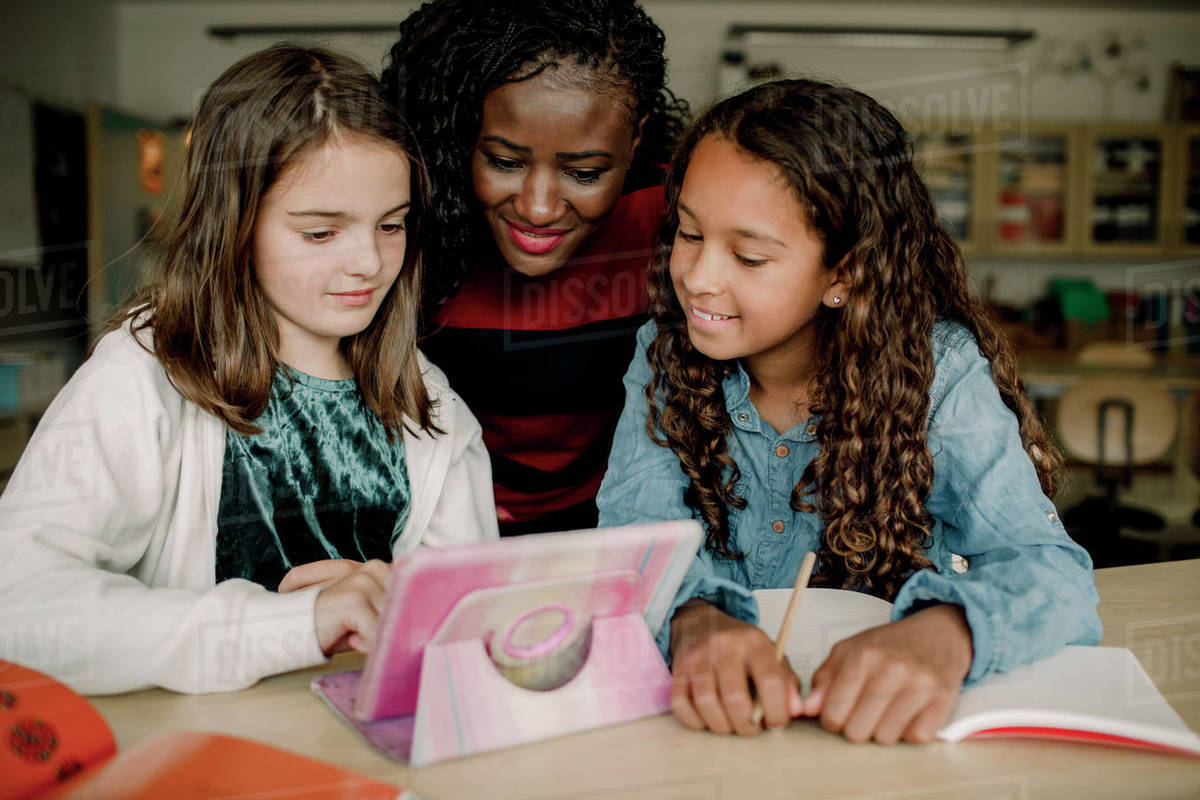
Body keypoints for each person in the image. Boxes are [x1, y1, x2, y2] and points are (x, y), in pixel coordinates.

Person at [597, 79, 1102, 744]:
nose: (695, 276)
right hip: (715, 746)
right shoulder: (663, 354)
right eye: (688, 232)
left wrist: (948, 634)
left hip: (877, 744)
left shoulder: (937, 374)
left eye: (748, 255)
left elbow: (1052, 573)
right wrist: (693, 618)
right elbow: (636, 533)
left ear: (845, 275)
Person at [0, 44, 498, 695]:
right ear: (235, 225)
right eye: (321, 233)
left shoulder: (427, 402)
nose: (369, 264)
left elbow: (468, 624)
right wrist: (294, 621)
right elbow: (22, 611)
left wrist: (400, 608)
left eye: (392, 225)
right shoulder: (146, 374)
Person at [382, 0, 689, 535]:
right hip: (436, 531)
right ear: (462, 135)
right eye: (504, 162)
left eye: (585, 172)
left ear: (635, 138)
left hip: (613, 528)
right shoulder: (401, 226)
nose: (538, 209)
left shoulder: (675, 222)